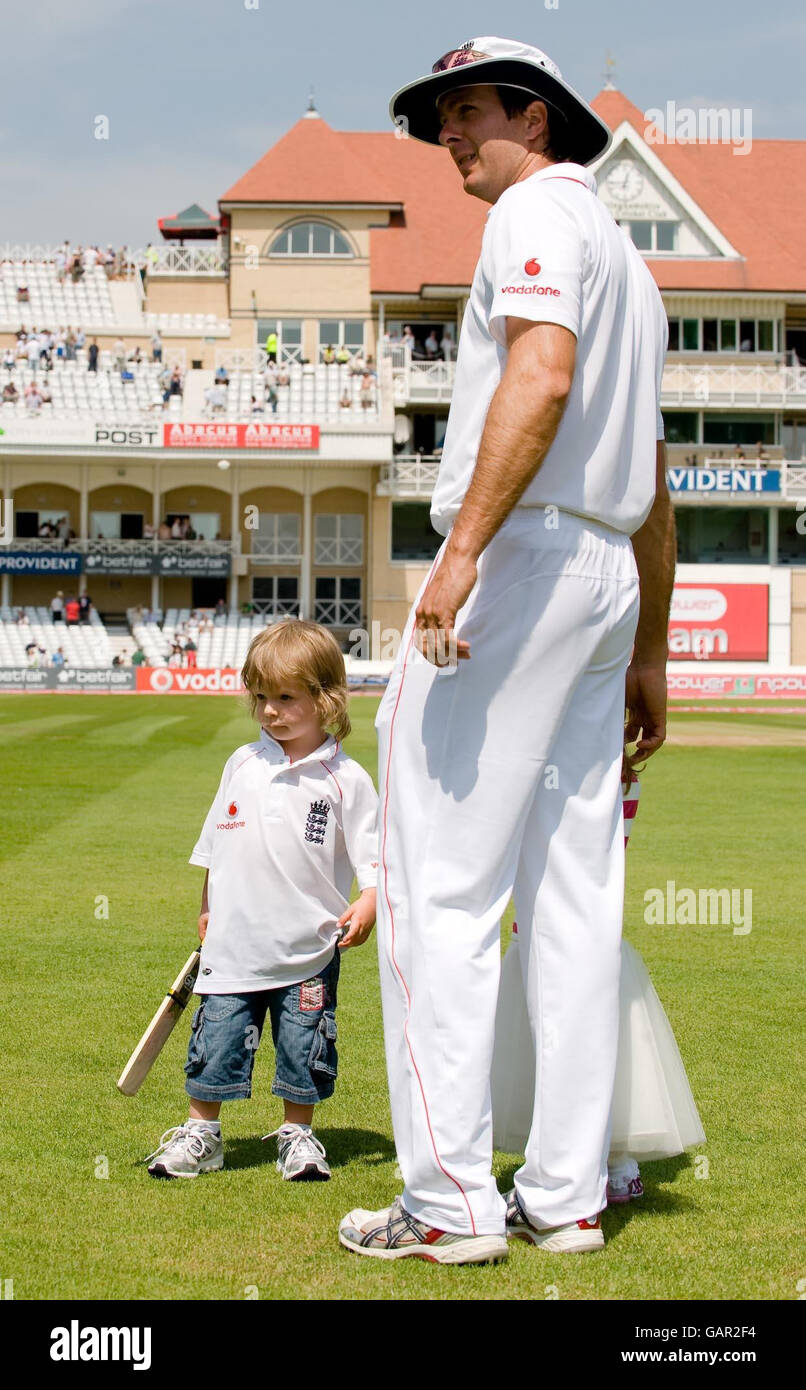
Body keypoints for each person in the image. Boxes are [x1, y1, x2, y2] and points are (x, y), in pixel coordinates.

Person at [338, 36, 673, 1265]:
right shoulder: (629, 259)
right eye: (435, 114)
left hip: (525, 556)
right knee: (575, 896)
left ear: (530, 116)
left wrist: (465, 548)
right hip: (597, 572)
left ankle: (448, 1204)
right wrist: (648, 645)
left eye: (461, 109)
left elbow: (539, 373)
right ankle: (565, 1194)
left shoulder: (532, 212)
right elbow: (651, 475)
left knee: (439, 889)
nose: (443, 134)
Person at [143, 620, 378, 1181]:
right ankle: (202, 1133)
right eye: (261, 697)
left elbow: (375, 858)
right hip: (234, 945)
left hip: (309, 948)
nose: (271, 711)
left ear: (326, 699)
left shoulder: (347, 779)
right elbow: (216, 848)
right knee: (217, 1037)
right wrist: (206, 908)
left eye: (286, 698)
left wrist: (369, 900)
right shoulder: (243, 763)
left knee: (305, 1044)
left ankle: (298, 1134)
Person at [490, 755, 705, 1212]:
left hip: (544, 942)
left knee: (548, 1058)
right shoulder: (615, 784)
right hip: (594, 943)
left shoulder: (548, 781)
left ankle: (569, 1171)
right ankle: (613, 1169)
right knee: (605, 1057)